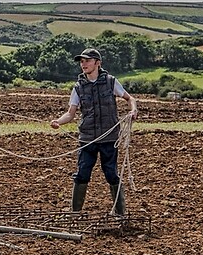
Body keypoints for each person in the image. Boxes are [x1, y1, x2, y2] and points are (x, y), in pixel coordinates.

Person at [50, 48, 138, 215]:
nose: (83, 64)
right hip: (87, 138)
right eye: (81, 61)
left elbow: (129, 98)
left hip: (109, 138)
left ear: (98, 63)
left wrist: (133, 110)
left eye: (87, 61)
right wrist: (58, 122)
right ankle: (75, 214)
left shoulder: (111, 82)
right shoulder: (78, 87)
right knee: (82, 173)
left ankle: (120, 214)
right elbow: (70, 113)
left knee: (111, 174)